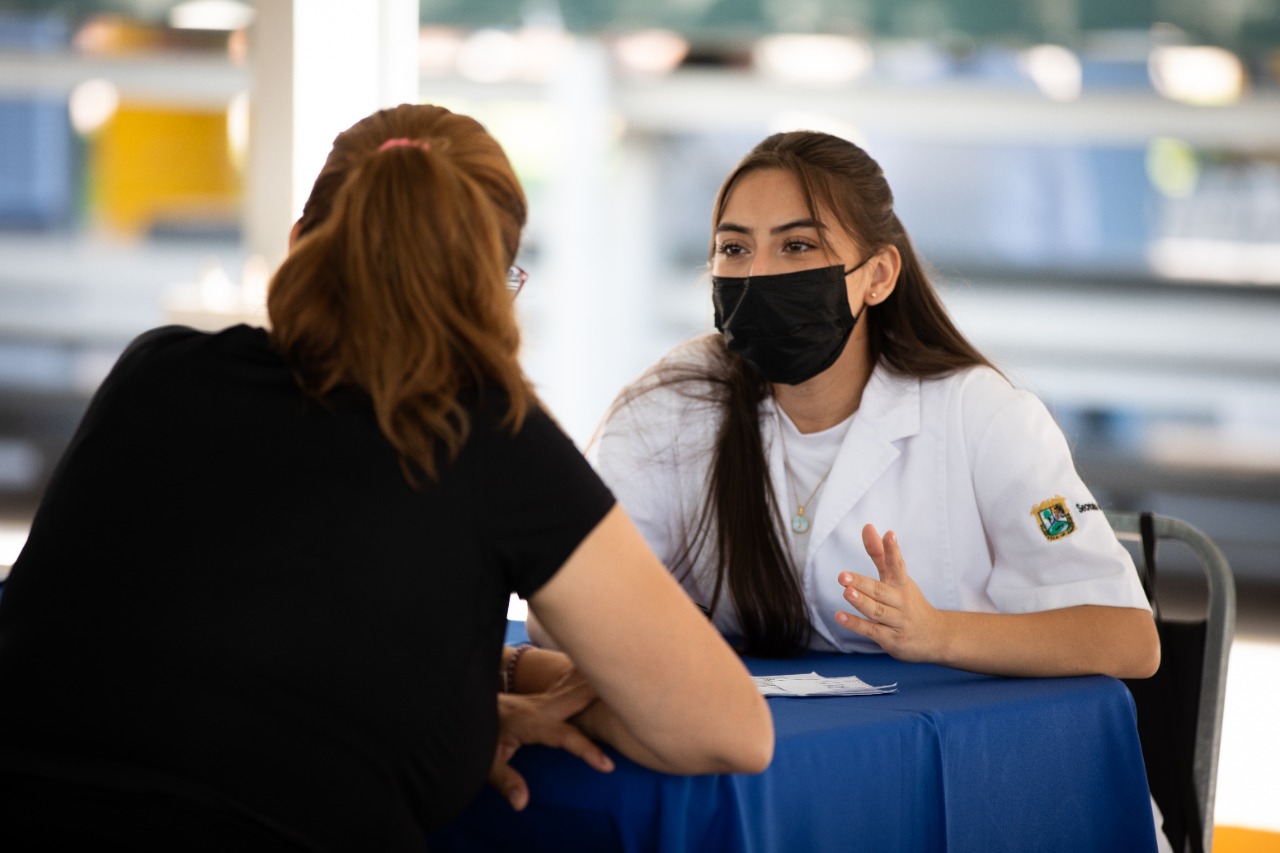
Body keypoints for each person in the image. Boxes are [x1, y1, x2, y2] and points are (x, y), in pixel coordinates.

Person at [0, 104, 771, 851]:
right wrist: (531, 700)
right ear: (492, 286)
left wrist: (470, 708)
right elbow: (731, 729)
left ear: (301, 241)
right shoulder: (491, 438)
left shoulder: (157, 372)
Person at [535, 130, 1160, 681]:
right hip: (750, 746)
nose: (758, 274)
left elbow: (1129, 640)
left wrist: (938, 633)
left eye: (797, 247)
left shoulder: (980, 415)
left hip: (954, 760)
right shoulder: (674, 400)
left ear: (879, 276)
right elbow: (564, 603)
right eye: (734, 248)